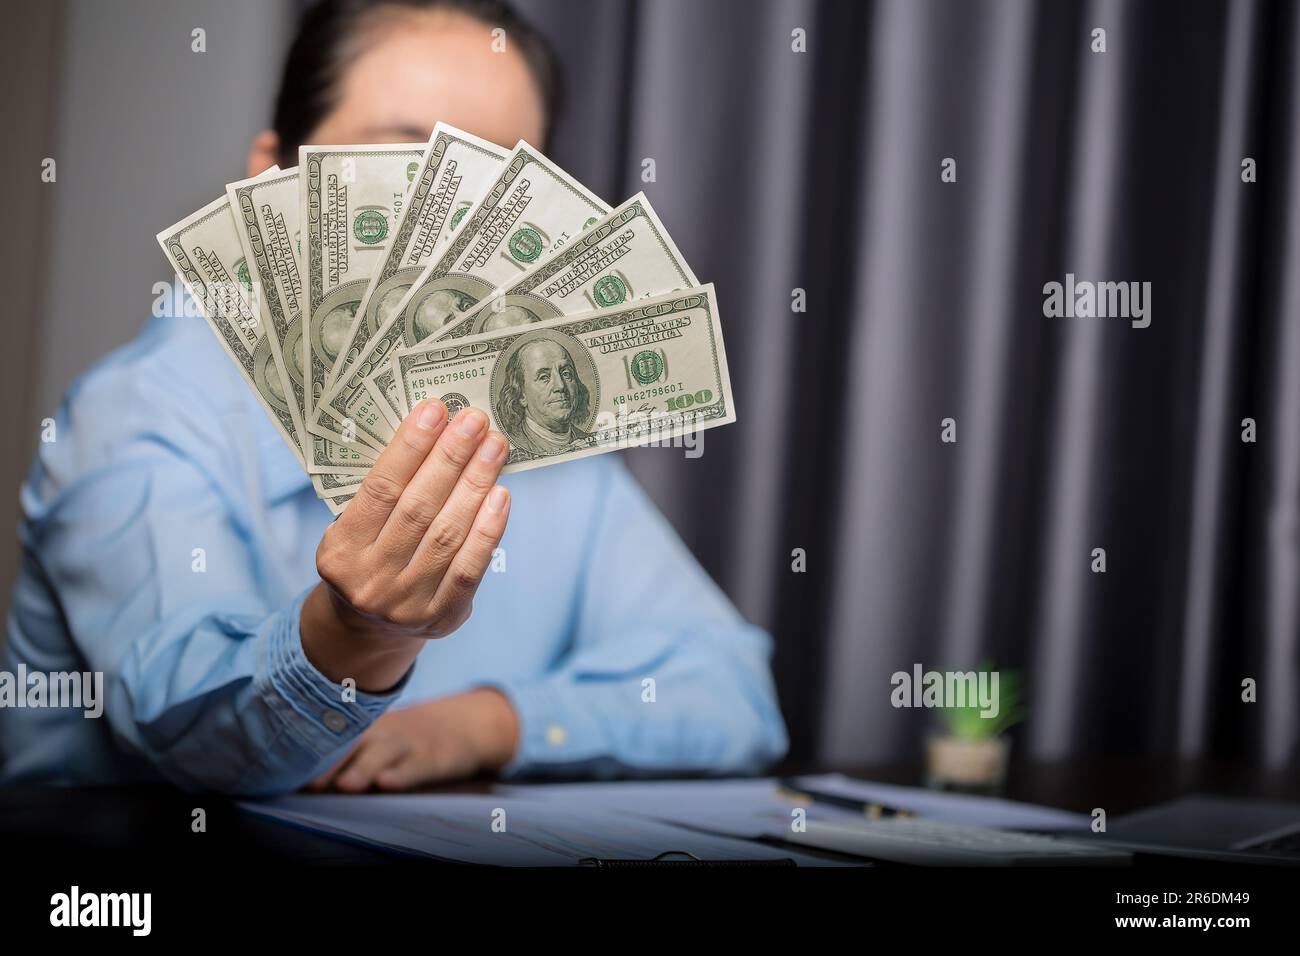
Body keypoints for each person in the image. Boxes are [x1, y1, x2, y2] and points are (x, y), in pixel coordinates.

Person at [0, 0, 787, 796]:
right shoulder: (137, 415)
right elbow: (188, 728)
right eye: (408, 161)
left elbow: (733, 693)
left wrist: (484, 724)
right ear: (271, 175)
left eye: (497, 179)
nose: (448, 220)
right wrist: (352, 642)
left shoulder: (543, 438)